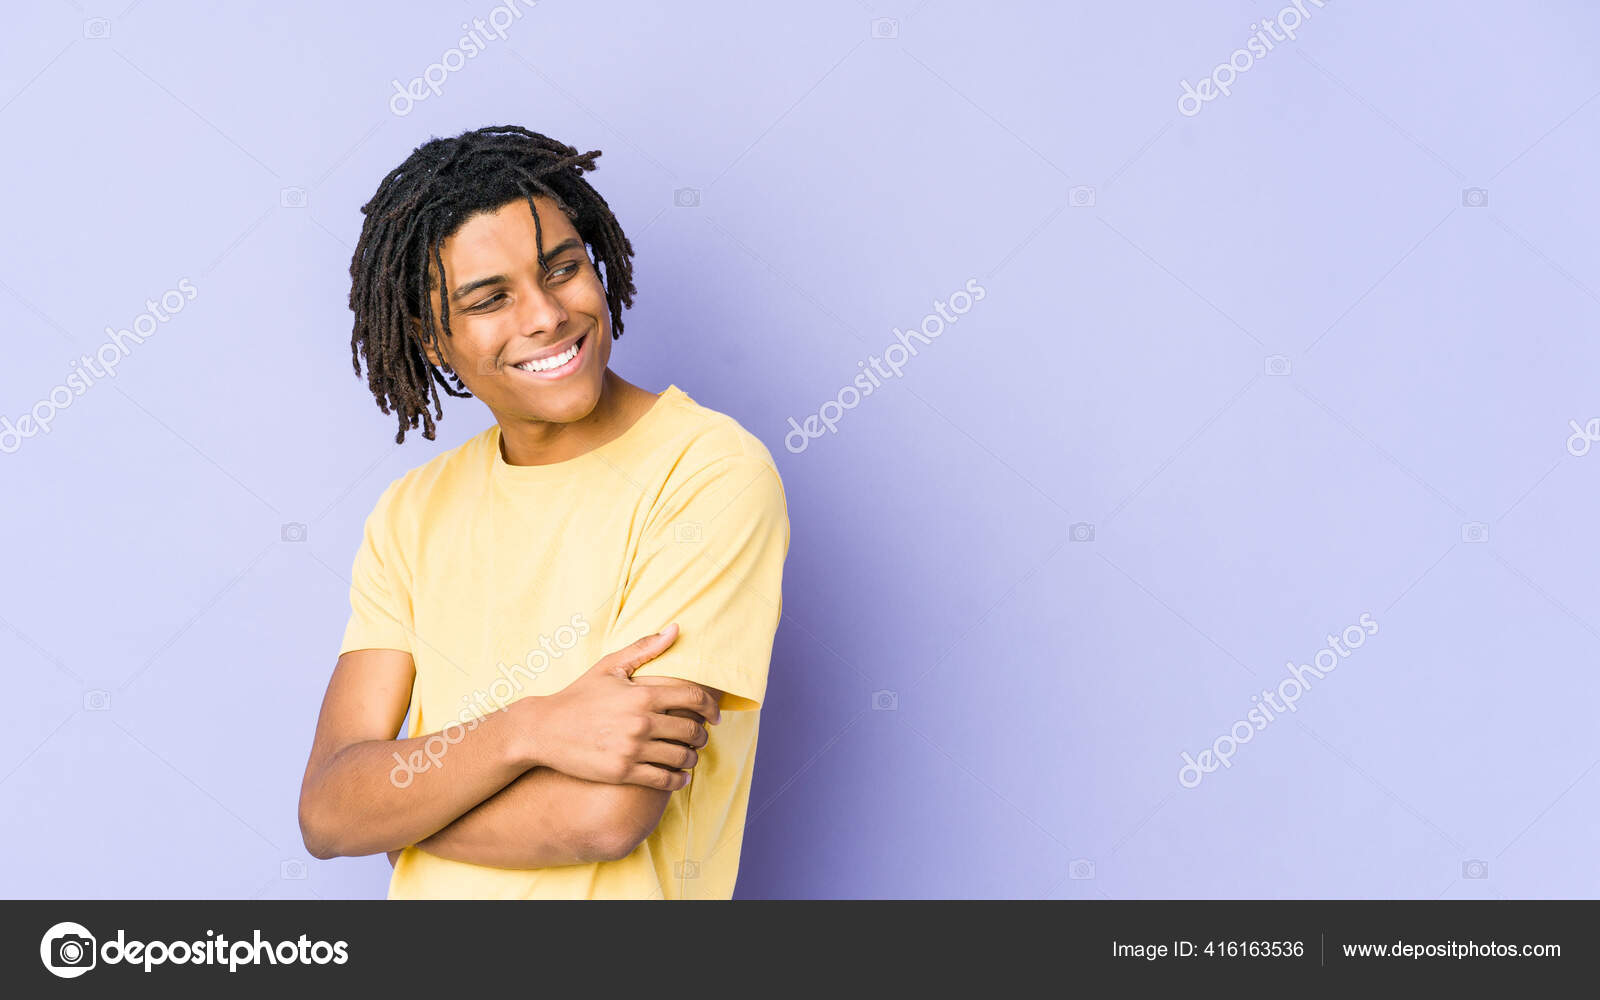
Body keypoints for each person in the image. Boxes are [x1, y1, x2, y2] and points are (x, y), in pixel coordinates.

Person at [296, 125, 789, 899]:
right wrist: (529, 728)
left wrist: (402, 813)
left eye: (562, 269)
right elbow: (327, 812)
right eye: (490, 299)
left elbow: (605, 815)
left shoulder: (708, 473)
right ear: (431, 338)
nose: (546, 316)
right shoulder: (412, 511)